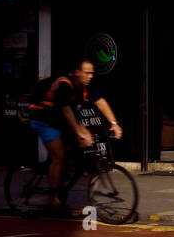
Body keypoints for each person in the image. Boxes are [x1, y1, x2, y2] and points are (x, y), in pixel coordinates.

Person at [27, 59, 122, 212]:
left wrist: (114, 122)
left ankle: (63, 174)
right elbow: (65, 109)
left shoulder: (87, 86)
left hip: (60, 119)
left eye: (92, 73)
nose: (90, 76)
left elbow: (100, 101)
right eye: (87, 72)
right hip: (44, 118)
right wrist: (79, 131)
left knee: (82, 142)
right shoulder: (65, 84)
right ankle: (52, 198)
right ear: (77, 72)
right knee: (58, 156)